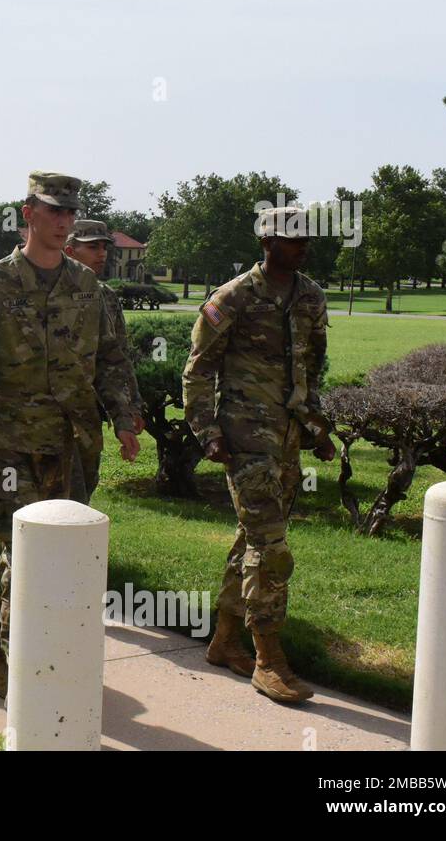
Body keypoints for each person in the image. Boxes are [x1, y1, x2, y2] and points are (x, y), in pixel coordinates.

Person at [0, 171, 140, 698]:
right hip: (7, 442)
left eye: (71, 213)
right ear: (28, 213)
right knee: (24, 549)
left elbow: (112, 360)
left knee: (51, 553)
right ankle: (17, 666)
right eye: (54, 211)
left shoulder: (88, 287)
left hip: (71, 443)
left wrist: (124, 419)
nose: (64, 221)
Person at [182, 205, 334, 704]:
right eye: (293, 239)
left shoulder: (311, 296)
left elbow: (311, 367)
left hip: (287, 438)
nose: (303, 247)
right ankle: (268, 659)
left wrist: (316, 427)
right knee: (271, 548)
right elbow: (198, 369)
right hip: (243, 438)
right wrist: (207, 432)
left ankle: (225, 642)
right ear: (267, 243)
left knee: (252, 537)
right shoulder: (232, 297)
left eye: (306, 239)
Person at [62, 220, 145, 502]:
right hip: (47, 413)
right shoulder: (48, 292)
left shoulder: (105, 296)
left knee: (83, 489)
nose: (102, 254)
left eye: (104, 247)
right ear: (70, 250)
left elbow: (118, 356)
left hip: (89, 411)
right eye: (93, 247)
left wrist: (131, 406)